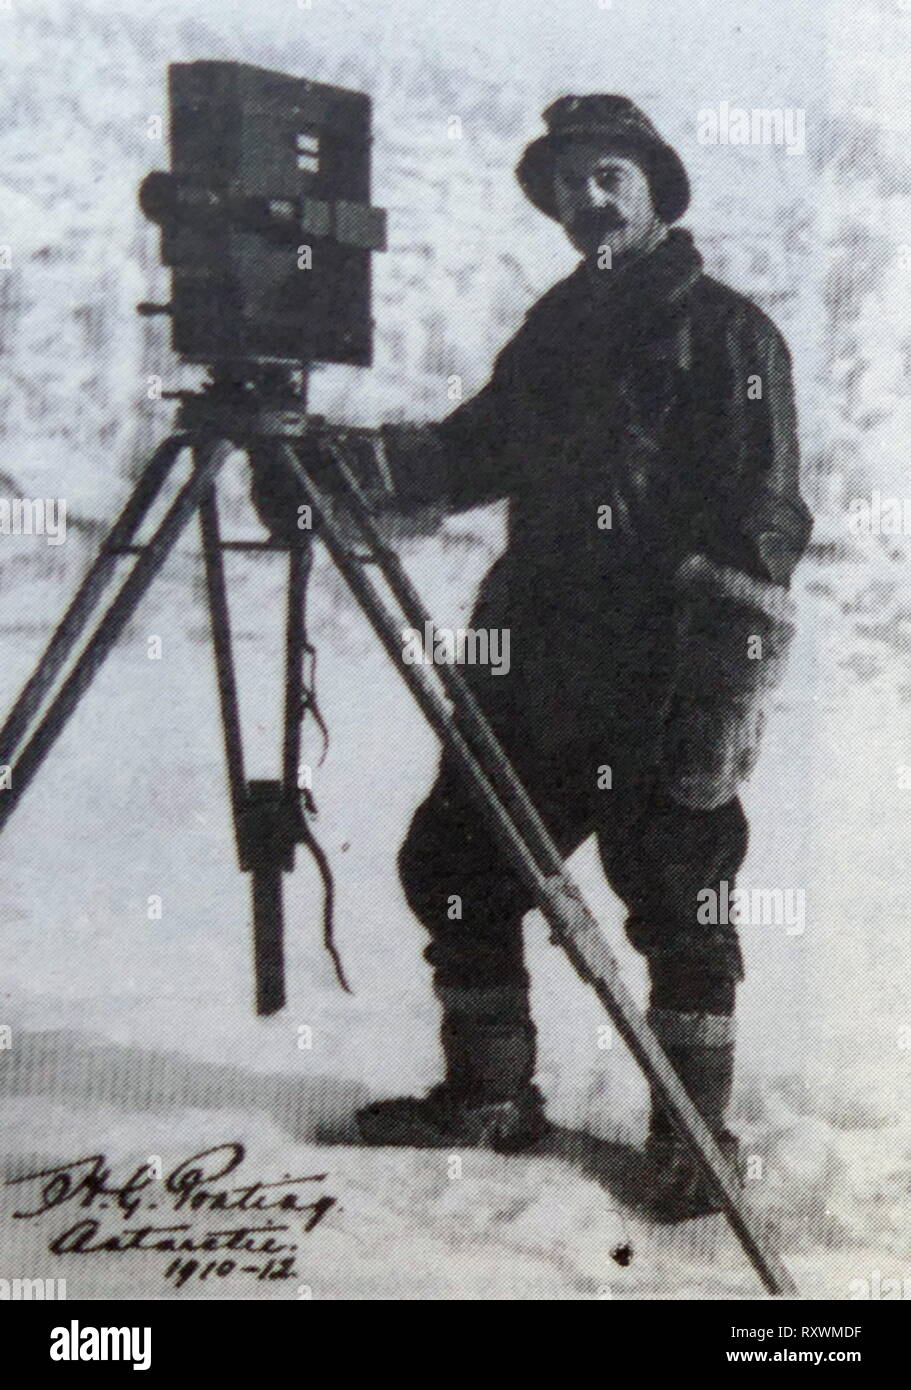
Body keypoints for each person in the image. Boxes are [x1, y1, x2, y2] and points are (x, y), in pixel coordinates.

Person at [253, 94, 813, 1218]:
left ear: (655, 187)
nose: (584, 198)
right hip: (537, 659)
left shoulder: (729, 333)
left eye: (606, 174)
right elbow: (475, 451)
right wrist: (348, 469)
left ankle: (691, 1140)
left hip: (660, 665)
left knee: (677, 893)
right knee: (455, 864)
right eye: (566, 183)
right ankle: (490, 1096)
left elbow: (761, 517)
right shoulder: (557, 329)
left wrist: (719, 690)